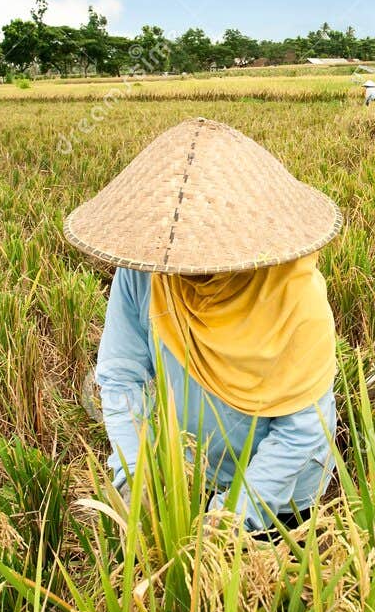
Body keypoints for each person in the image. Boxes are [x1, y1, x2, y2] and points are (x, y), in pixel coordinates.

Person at [65, 117, 343, 532]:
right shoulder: (147, 268)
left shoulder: (293, 295)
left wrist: (230, 515)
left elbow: (303, 429)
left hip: (279, 496)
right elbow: (121, 377)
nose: (185, 269)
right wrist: (135, 473)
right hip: (188, 478)